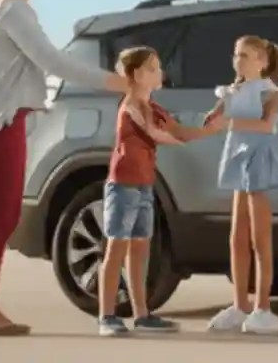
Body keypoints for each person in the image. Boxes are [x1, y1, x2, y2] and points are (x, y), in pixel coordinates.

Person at [0, 0, 129, 336]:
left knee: (4, 216)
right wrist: (114, 82)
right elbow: (52, 61)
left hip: (6, 121)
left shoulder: (16, 9)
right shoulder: (14, 11)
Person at [206, 35, 278, 335]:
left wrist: (228, 123)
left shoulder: (268, 91)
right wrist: (215, 116)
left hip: (258, 157)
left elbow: (263, 125)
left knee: (261, 238)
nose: (239, 60)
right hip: (238, 157)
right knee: (237, 237)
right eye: (236, 54)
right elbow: (218, 115)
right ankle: (239, 304)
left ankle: (263, 307)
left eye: (246, 55)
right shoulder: (233, 89)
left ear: (263, 61)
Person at [97, 46, 221, 337]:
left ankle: (142, 314)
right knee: (116, 247)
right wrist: (176, 141)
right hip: (123, 185)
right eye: (153, 68)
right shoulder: (130, 105)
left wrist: (212, 129)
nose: (160, 72)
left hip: (143, 185)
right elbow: (153, 133)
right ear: (138, 74)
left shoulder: (154, 108)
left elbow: (180, 130)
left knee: (141, 249)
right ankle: (106, 315)